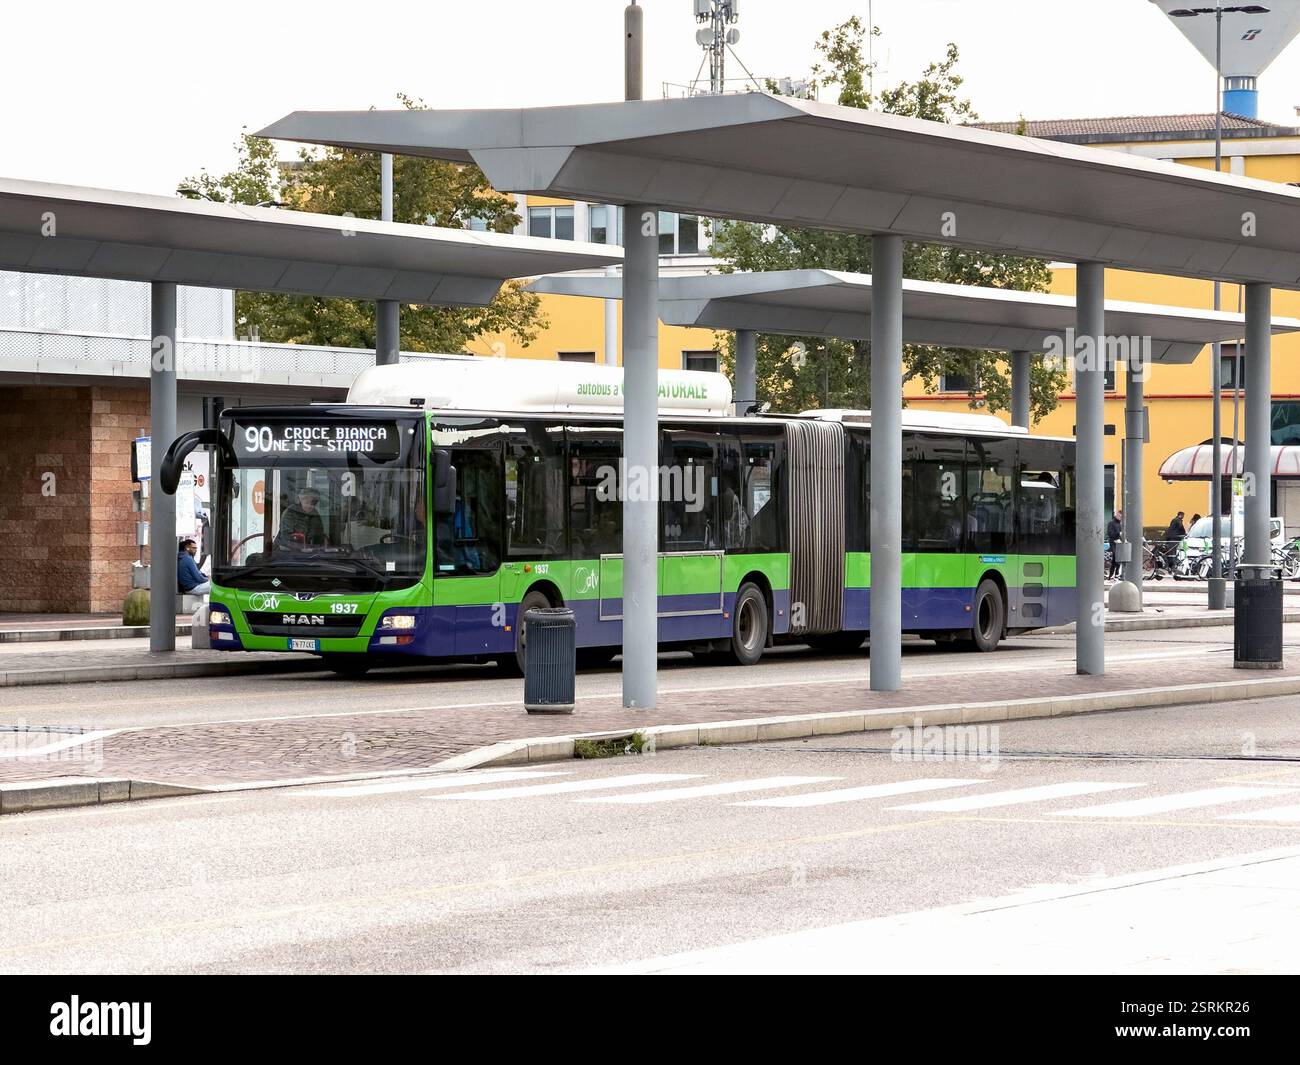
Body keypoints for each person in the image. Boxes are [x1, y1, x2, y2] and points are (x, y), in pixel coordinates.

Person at [1106, 509, 1124, 580]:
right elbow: (1110, 534)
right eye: (1119, 515)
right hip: (1113, 543)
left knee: (1116, 559)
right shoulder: (1111, 523)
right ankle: (1115, 574)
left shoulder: (1120, 524)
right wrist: (1118, 533)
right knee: (1117, 557)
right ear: (1116, 514)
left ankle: (1113, 574)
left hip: (1119, 543)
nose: (1120, 517)